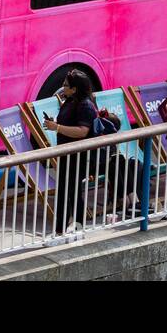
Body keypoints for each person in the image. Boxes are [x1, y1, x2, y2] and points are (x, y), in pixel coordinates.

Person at [42, 69, 98, 234]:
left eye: (66, 85)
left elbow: (82, 131)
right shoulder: (69, 101)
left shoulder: (86, 105)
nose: (63, 87)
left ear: (75, 88)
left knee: (72, 193)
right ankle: (61, 230)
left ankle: (76, 228)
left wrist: (57, 127)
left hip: (77, 156)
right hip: (66, 154)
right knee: (64, 193)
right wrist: (55, 124)